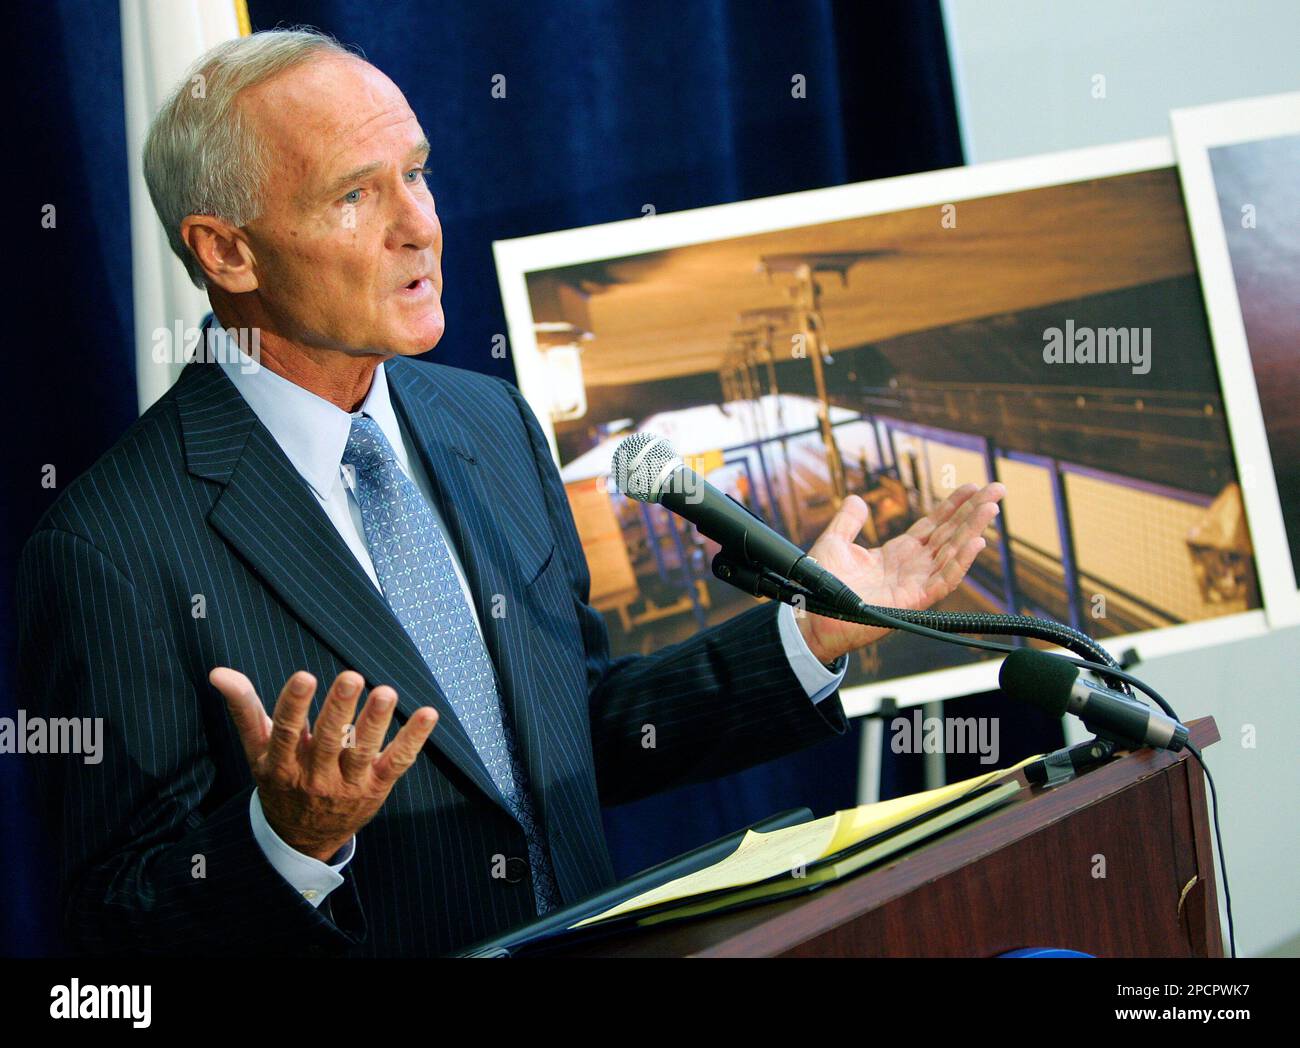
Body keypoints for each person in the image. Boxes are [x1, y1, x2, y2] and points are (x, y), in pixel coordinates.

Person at [16, 29, 1003, 956]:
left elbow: (578, 728)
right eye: (356, 195)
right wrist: (288, 839)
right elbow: (113, 931)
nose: (420, 224)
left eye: (417, 173)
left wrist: (806, 638)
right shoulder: (109, 546)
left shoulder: (491, 424)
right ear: (226, 250)